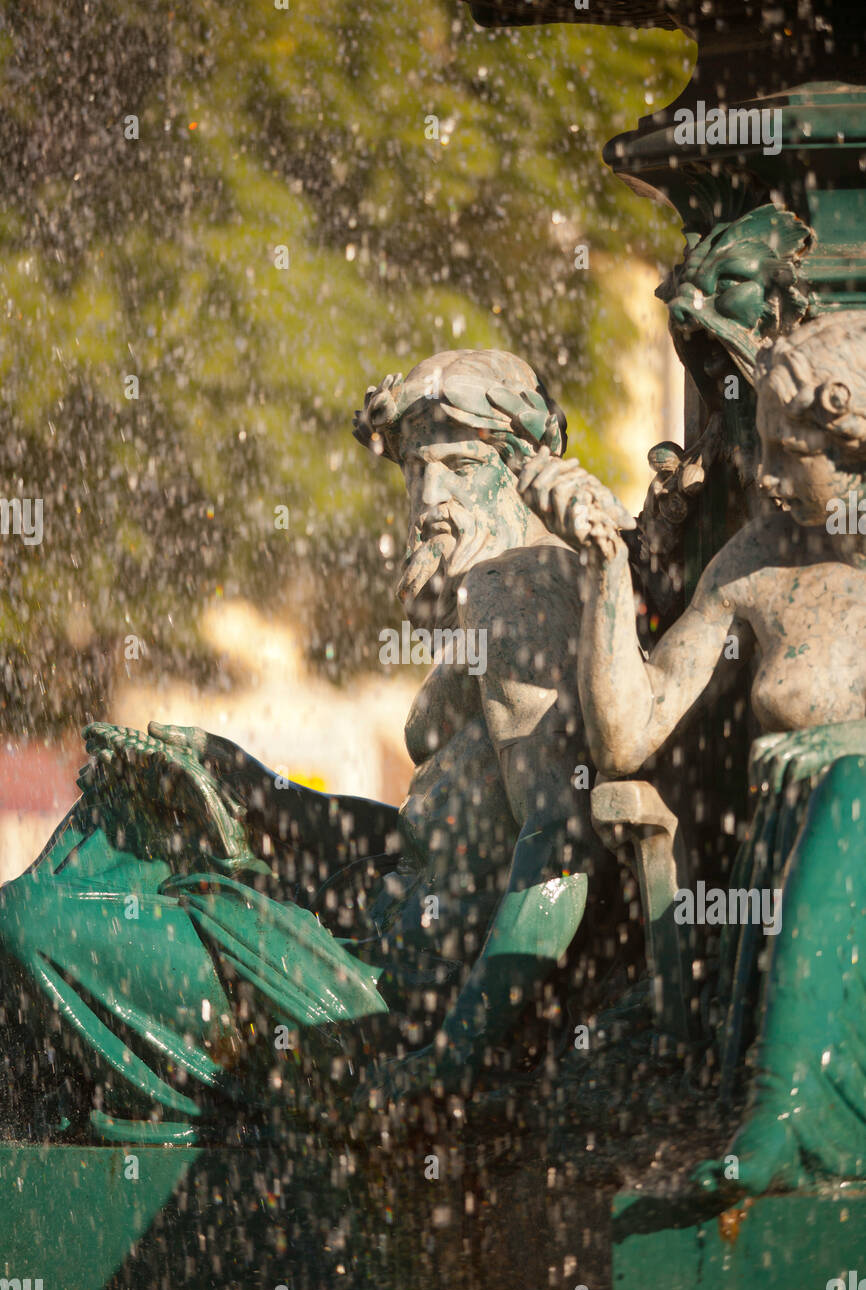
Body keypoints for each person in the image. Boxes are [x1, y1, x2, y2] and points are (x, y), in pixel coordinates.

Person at [0, 348, 624, 1144]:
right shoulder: (491, 602)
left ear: (522, 471)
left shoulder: (520, 599)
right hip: (368, 946)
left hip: (382, 1008)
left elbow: (557, 850)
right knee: (126, 806)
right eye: (414, 471)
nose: (430, 498)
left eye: (461, 466)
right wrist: (257, 791)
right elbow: (425, 844)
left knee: (31, 925)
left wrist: (455, 1064)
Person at [519, 310, 866, 1191]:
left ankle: (791, 1121)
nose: (768, 475)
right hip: (785, 889)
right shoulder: (757, 560)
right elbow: (629, 734)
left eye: (794, 453)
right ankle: (782, 1115)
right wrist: (606, 568)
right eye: (763, 447)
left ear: (856, 440)